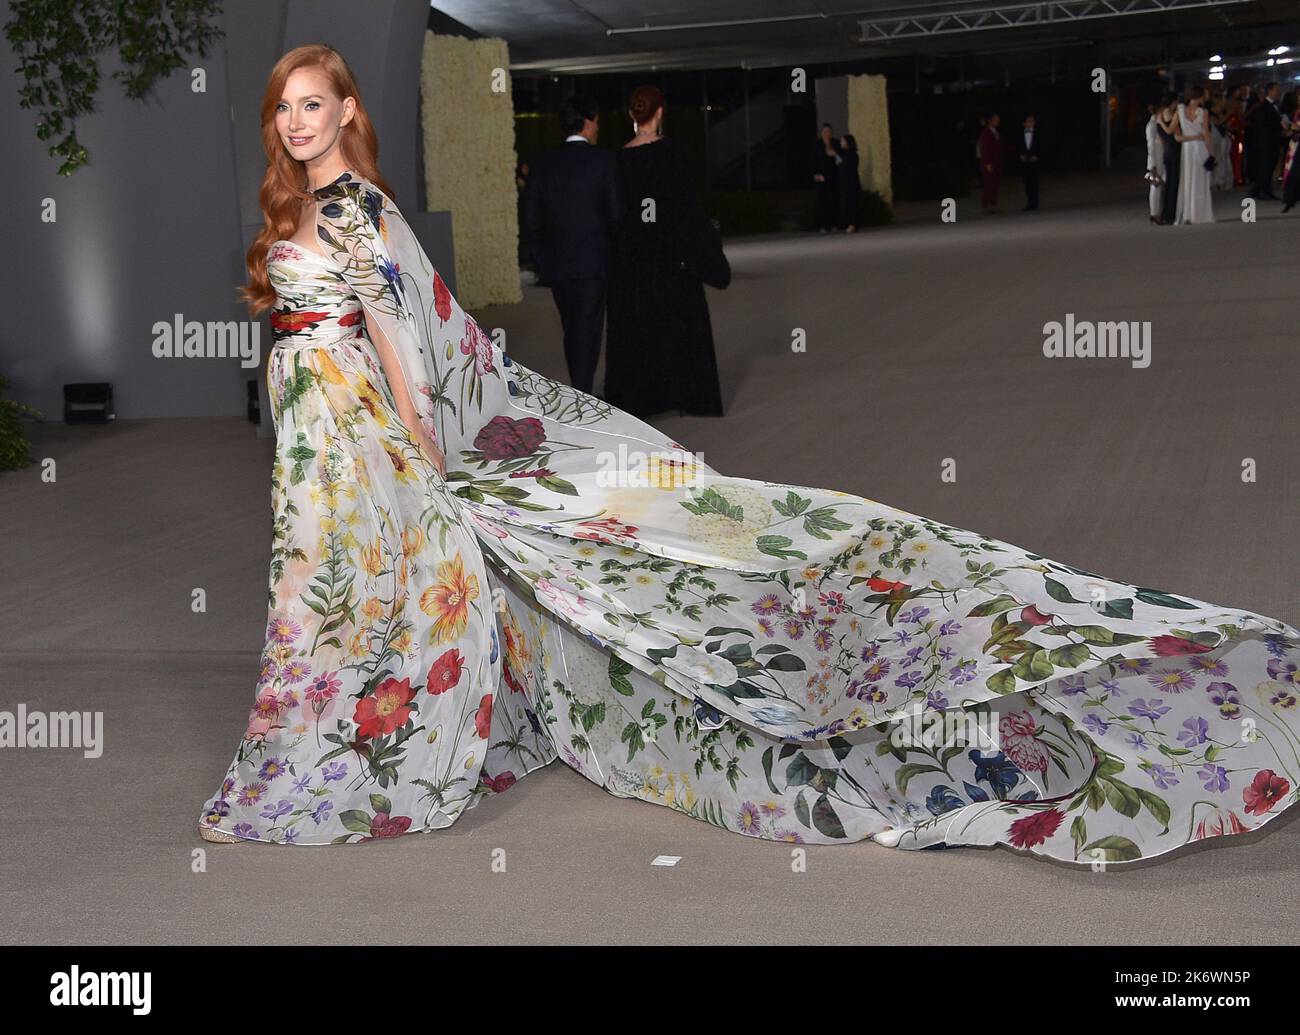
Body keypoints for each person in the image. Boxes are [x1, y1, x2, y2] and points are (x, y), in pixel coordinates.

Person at [200, 45, 1300, 867]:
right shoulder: (311, 204)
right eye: (282, 110)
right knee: (336, 588)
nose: (296, 124)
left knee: (352, 587)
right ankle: (343, 726)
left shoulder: (351, 209)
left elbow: (402, 343)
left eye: (313, 105)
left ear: (347, 109)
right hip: (320, 434)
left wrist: (428, 452)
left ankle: (340, 740)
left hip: (363, 435)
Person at [604, 85, 725, 417]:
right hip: (671, 254)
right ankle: (686, 396)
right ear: (659, 113)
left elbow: (615, 214)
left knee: (638, 328)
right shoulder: (672, 153)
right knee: (679, 324)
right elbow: (687, 208)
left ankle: (641, 400)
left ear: (633, 115)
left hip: (633, 257)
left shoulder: (618, 159)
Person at [523, 96, 626, 395]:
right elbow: (618, 214)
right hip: (594, 263)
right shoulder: (605, 161)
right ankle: (582, 392)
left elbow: (531, 220)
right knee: (588, 330)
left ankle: (580, 389)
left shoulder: (543, 164)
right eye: (596, 122)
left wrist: (542, 261)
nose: (598, 128)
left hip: (558, 266)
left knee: (572, 329)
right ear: (588, 121)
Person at [1174, 86, 1215, 224]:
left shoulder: (1180, 110)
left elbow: (1174, 132)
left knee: (1188, 179)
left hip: (1186, 149)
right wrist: (1211, 153)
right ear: (1200, 96)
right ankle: (1199, 213)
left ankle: (1187, 214)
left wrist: (1188, 138)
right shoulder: (1203, 112)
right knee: (1201, 180)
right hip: (1200, 147)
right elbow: (1206, 134)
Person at [1252, 82, 1283, 201]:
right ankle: (1265, 191)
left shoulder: (1273, 106)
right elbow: (1264, 126)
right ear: (1269, 91)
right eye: (1276, 90)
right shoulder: (1264, 106)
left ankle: (1258, 190)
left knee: (1269, 166)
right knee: (1267, 166)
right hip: (1267, 142)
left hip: (1273, 141)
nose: (1278, 92)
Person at [1156, 94, 1181, 226]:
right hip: (1175, 152)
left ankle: (1165, 213)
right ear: (1172, 102)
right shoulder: (1171, 115)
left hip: (1167, 153)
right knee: (1173, 183)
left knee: (1169, 183)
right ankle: (1170, 213)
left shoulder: (1159, 116)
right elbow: (1170, 131)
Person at [811, 123, 841, 232]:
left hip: (834, 177)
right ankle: (823, 225)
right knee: (822, 202)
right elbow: (813, 161)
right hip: (821, 177)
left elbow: (841, 161)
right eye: (824, 132)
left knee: (834, 201)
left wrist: (834, 155)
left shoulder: (836, 143)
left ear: (831, 133)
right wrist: (816, 174)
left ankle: (835, 224)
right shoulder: (817, 144)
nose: (827, 134)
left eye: (829, 131)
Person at [1144, 103, 1166, 224]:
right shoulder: (1151, 125)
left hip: (1160, 159)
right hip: (1156, 161)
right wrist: (1152, 165)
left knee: (1158, 186)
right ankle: (1154, 213)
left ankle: (1157, 212)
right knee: (1155, 186)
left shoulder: (1156, 124)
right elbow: (1151, 146)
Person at [837, 133, 862, 231]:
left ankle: (853, 224)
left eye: (843, 141)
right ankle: (850, 224)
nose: (841, 142)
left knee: (852, 203)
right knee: (847, 204)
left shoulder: (852, 154)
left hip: (851, 183)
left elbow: (845, 167)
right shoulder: (846, 154)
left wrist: (836, 156)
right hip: (847, 183)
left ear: (848, 142)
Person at [1016, 114, 1041, 211]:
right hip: (1025, 162)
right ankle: (1029, 204)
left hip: (1035, 162)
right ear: (1024, 124)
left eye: (1033, 121)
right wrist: (1020, 155)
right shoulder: (1019, 134)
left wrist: (1037, 155)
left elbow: (1042, 146)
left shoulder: (1038, 133)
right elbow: (1017, 146)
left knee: (1035, 183)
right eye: (1029, 121)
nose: (1031, 123)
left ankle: (1035, 204)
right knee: (1027, 183)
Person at [978, 112, 1002, 212]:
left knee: (995, 184)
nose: (998, 121)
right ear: (991, 121)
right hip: (989, 163)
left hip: (996, 162)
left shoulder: (996, 132)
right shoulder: (986, 133)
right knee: (988, 184)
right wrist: (987, 163)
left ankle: (993, 204)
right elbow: (984, 149)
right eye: (996, 119)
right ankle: (985, 205)